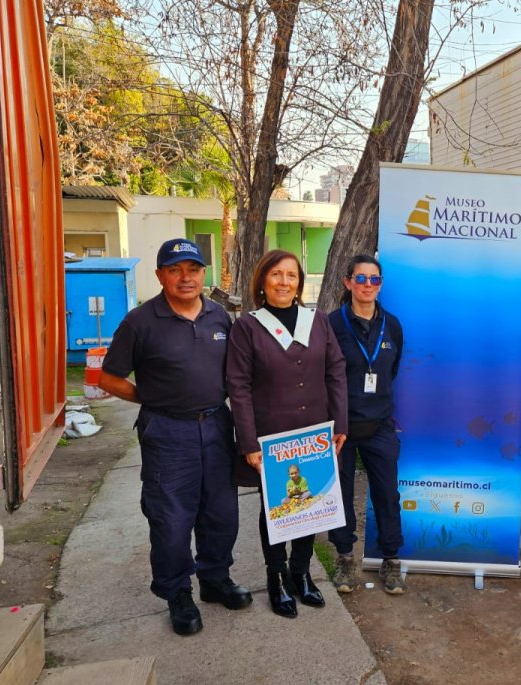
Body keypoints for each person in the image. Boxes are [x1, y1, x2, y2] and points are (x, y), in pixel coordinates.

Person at [99, 238, 252, 636]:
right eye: (175, 269)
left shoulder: (220, 317)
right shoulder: (140, 321)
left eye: (193, 269)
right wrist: (149, 398)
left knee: (221, 513)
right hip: (167, 432)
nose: (186, 277)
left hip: (217, 425)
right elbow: (109, 378)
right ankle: (178, 593)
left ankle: (215, 580)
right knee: (171, 519)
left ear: (204, 274)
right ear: (160, 275)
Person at [226, 249, 348, 619]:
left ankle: (301, 572)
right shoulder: (248, 326)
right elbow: (239, 386)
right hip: (271, 439)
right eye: (276, 274)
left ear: (299, 282)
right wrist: (248, 442)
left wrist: (340, 424)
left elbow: (336, 371)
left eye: (291, 275)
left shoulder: (318, 321)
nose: (283, 282)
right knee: (278, 510)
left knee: (309, 505)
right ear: (263, 280)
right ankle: (276, 577)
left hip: (314, 435)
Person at [327, 254, 407, 595]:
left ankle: (390, 561)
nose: (368, 286)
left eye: (374, 280)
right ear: (347, 283)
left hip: (380, 426)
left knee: (387, 494)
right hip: (341, 429)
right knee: (341, 495)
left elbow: (391, 370)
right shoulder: (331, 324)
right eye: (361, 279)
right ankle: (344, 558)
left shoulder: (393, 325)